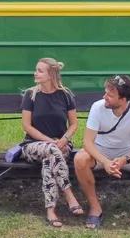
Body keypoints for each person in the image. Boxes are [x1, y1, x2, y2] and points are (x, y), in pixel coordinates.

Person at [74, 74, 130, 232]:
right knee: (80, 158)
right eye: (105, 93)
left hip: (127, 151)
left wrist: (125, 160)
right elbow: (87, 142)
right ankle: (95, 209)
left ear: (123, 99)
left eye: (110, 95)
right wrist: (105, 162)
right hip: (101, 150)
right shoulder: (97, 107)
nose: (104, 97)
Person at [18, 57, 84, 227]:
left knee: (50, 160)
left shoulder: (65, 95)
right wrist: (50, 141)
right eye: (36, 69)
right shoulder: (30, 95)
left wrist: (64, 139)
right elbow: (26, 126)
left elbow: (74, 124)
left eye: (40, 71)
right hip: (33, 146)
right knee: (51, 151)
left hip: (61, 145)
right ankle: (69, 195)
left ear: (51, 75)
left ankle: (51, 210)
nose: (35, 73)